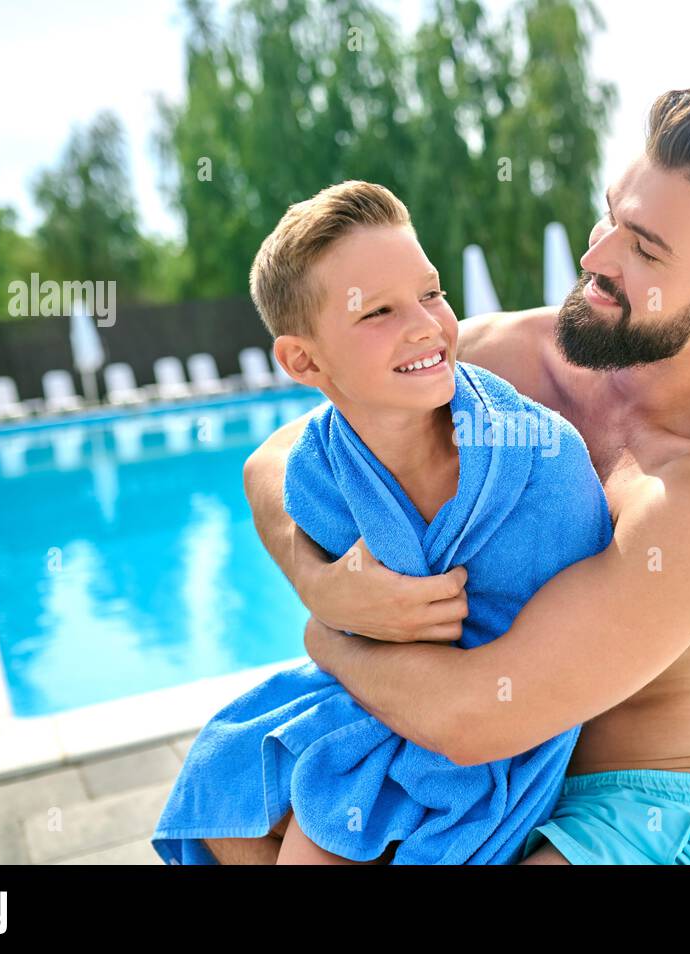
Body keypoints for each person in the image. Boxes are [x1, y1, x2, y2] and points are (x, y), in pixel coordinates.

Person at [239, 88, 690, 865]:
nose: (596, 260)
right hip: (480, 771)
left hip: (626, 805)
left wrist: (328, 635)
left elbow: (475, 717)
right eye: (609, 218)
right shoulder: (519, 357)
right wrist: (318, 578)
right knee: (240, 814)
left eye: (646, 249)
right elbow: (281, 456)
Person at [152, 180, 613, 865]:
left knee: (311, 845)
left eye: (432, 293)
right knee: (223, 804)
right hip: (375, 702)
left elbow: (551, 682)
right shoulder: (319, 472)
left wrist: (334, 639)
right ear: (303, 360)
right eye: (379, 312)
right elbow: (351, 620)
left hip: (497, 741)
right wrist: (330, 603)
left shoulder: (541, 467)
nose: (425, 325)